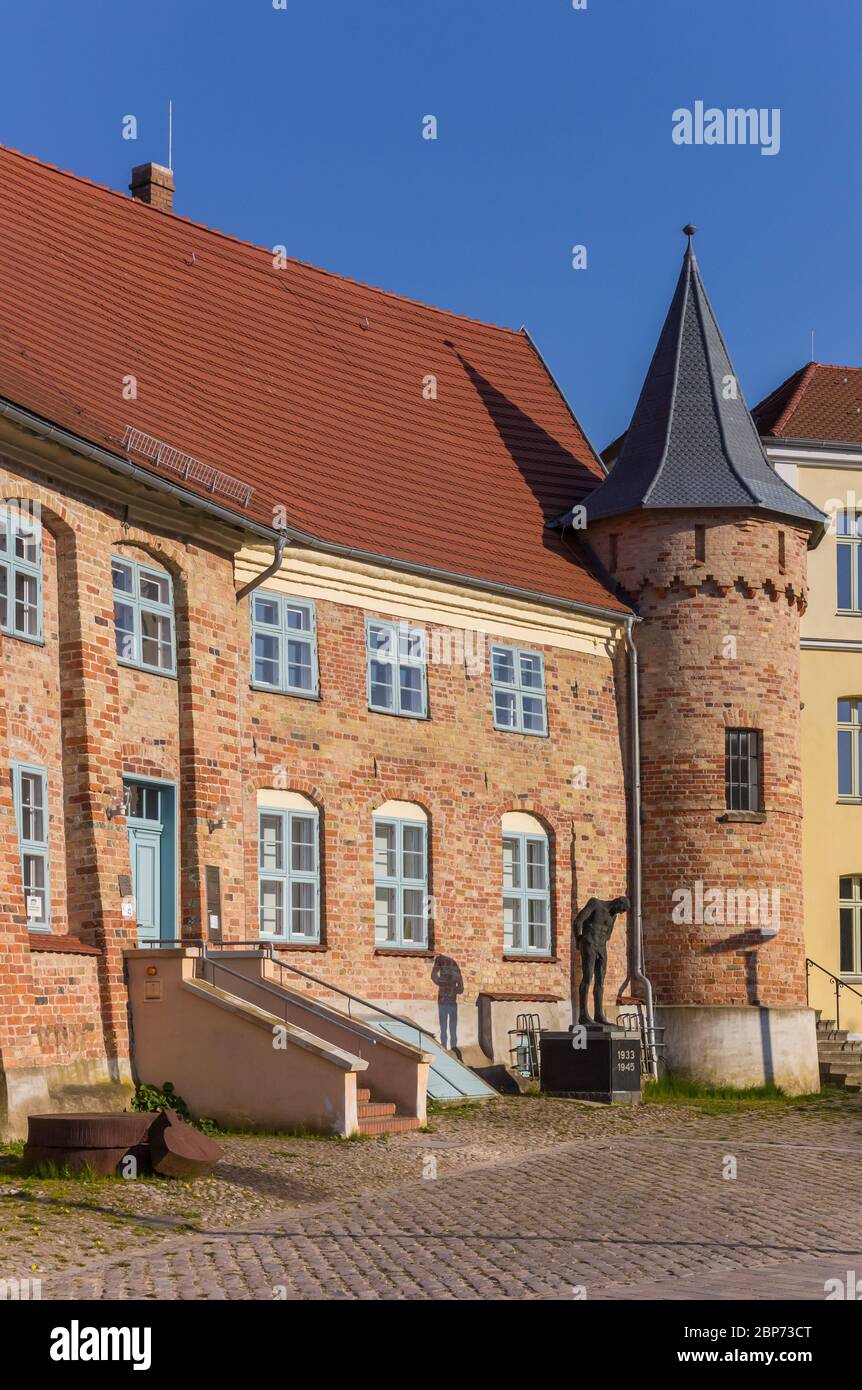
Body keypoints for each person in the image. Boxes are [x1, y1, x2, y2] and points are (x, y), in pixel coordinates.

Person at [572, 896, 629, 1025]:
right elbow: (578, 921)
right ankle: (583, 1015)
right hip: (589, 944)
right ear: (617, 902)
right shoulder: (595, 903)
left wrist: (601, 943)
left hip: (601, 948)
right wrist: (578, 940)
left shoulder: (613, 916)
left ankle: (599, 1015)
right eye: (622, 909)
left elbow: (608, 935)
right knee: (587, 978)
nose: (621, 912)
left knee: (600, 981)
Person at [431, 954, 464, 1056]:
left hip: (449, 1000)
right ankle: (446, 1048)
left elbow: (461, 987)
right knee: (445, 1026)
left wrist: (446, 984)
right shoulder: (451, 964)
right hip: (445, 999)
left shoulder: (446, 962)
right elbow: (461, 987)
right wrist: (444, 983)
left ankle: (450, 1048)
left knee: (450, 1027)